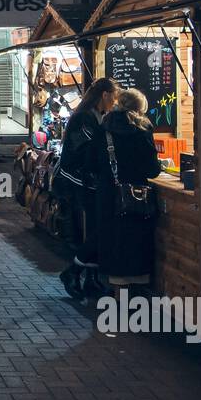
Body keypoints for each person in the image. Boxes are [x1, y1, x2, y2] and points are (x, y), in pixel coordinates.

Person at [89, 88, 161, 289]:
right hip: (136, 196)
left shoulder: (104, 128)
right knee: (135, 243)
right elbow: (152, 169)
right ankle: (135, 303)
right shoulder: (142, 130)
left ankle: (116, 297)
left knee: (113, 241)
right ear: (140, 107)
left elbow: (92, 163)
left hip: (108, 194)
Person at [55, 77, 119, 293]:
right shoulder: (85, 118)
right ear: (105, 95)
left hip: (90, 181)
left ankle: (90, 278)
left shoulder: (97, 116)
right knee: (96, 229)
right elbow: (82, 150)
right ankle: (73, 271)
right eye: (114, 96)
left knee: (95, 228)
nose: (115, 101)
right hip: (79, 181)